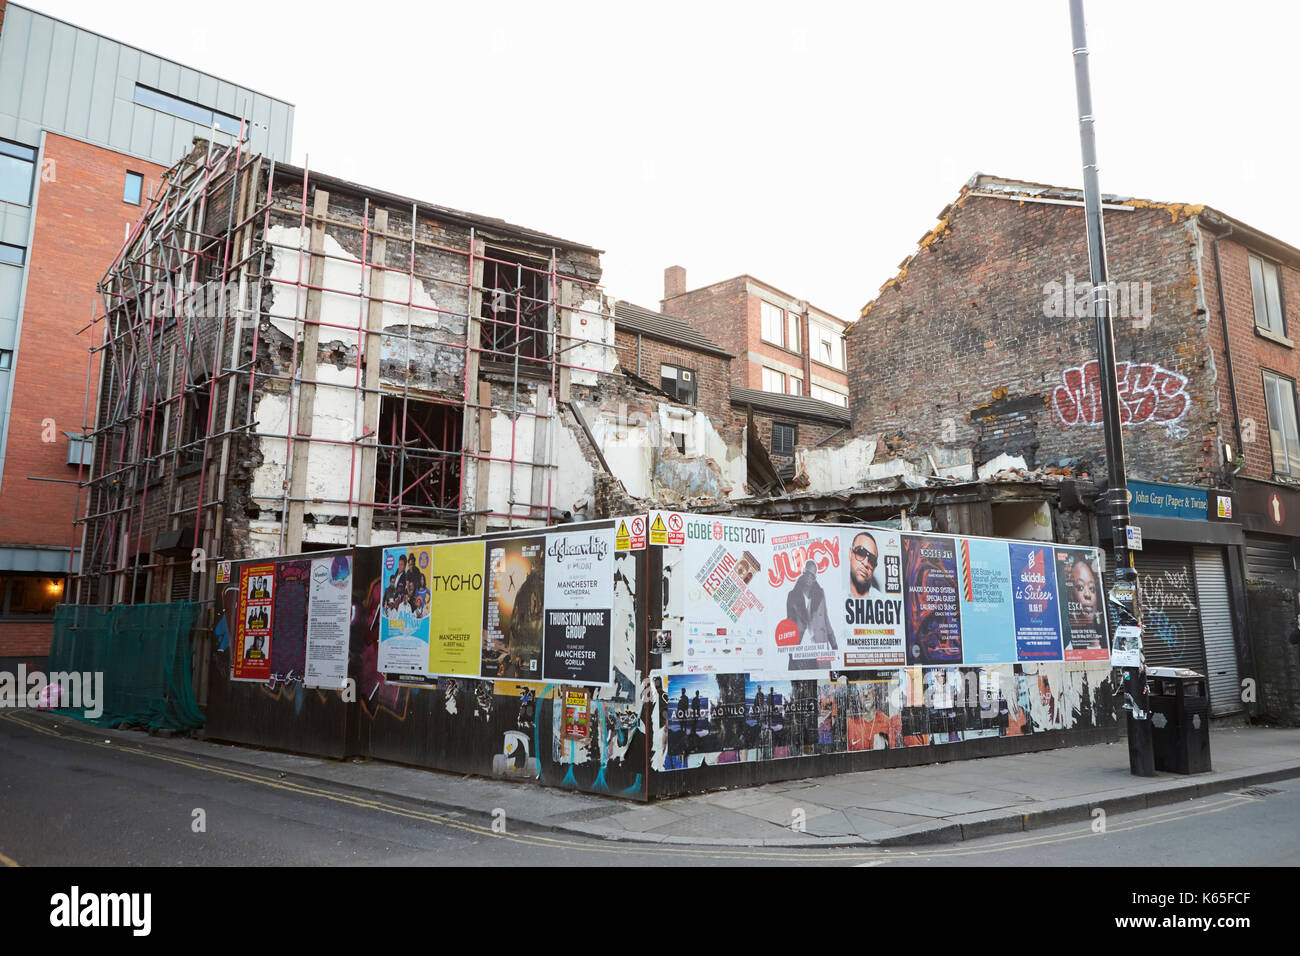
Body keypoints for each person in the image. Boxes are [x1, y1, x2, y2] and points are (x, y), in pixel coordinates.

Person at [786, 559, 837, 669]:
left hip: (818, 648)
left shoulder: (820, 593)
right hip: (800, 650)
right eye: (808, 574)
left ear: (815, 578)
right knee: (800, 682)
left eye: (812, 576)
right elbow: (788, 624)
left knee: (821, 681)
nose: (809, 578)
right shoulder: (792, 596)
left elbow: (825, 618)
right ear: (803, 573)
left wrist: (833, 642)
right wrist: (789, 649)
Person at [849, 531, 882, 598]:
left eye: (872, 560)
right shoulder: (836, 598)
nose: (866, 563)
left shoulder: (883, 602)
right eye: (861, 552)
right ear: (850, 554)